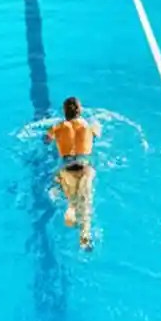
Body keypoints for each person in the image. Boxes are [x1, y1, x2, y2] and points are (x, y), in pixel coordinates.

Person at [44, 96, 101, 248]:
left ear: (64, 112)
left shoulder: (58, 127)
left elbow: (46, 140)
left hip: (67, 169)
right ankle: (85, 237)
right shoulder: (89, 126)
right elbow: (98, 134)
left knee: (72, 202)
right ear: (80, 110)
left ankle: (70, 211)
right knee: (86, 204)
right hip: (85, 168)